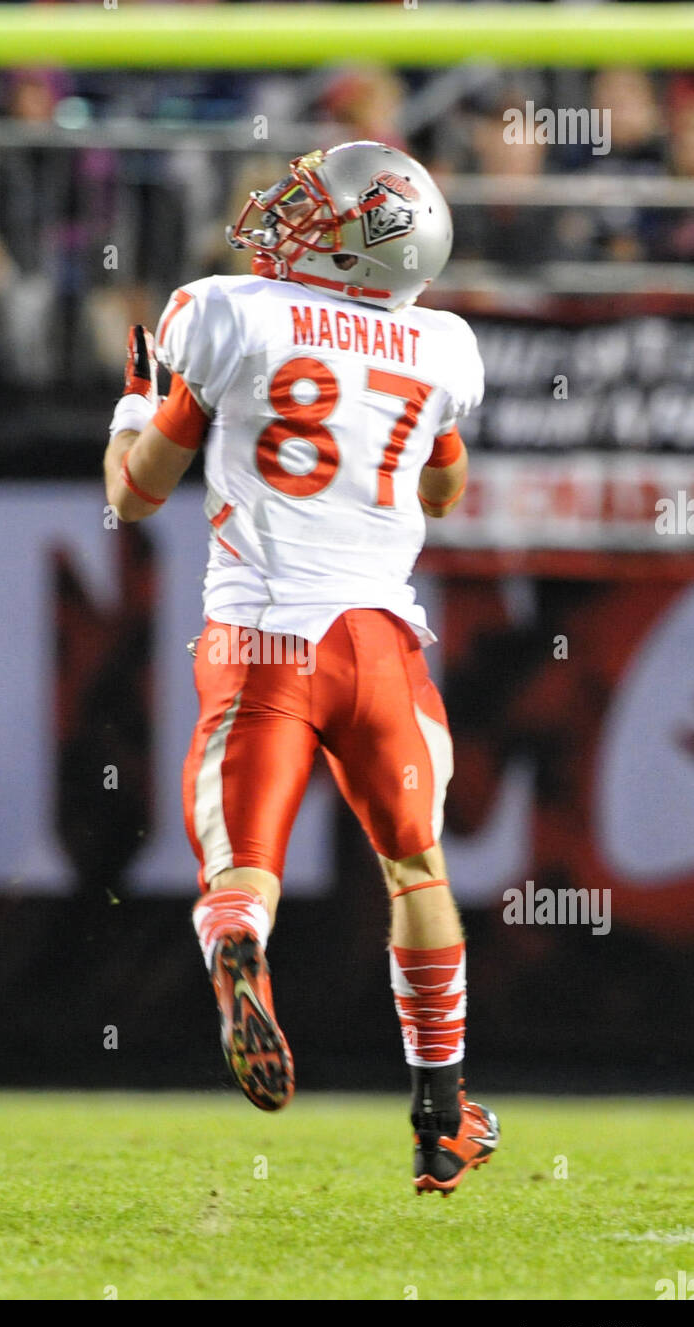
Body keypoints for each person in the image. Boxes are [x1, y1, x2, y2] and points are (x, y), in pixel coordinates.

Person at [103, 141, 499, 1196]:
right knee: (416, 872)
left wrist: (135, 406)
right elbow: (447, 493)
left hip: (261, 638)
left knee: (240, 873)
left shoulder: (228, 312)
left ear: (363, 244)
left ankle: (237, 948)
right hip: (378, 644)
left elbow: (136, 495)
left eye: (316, 208)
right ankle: (437, 1119)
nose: (288, 213)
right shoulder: (440, 345)